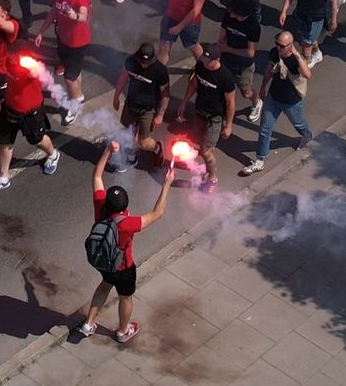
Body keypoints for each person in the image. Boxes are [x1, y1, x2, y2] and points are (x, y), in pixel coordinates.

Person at [75, 141, 177, 344]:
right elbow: (157, 213)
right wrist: (166, 185)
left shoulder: (100, 207)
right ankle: (123, 331)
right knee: (125, 297)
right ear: (125, 205)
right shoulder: (128, 223)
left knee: (104, 284)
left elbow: (96, 175)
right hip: (123, 267)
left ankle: (88, 324)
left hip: (103, 261)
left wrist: (108, 151)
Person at [0, 43, 63, 195]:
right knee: (5, 141)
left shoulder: (30, 65)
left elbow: (40, 75)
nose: (12, 58)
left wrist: (34, 70)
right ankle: (3, 177)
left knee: (37, 139)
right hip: (10, 108)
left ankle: (53, 155)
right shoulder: (6, 60)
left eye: (15, 56)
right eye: (11, 55)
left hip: (30, 112)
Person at [239, 30, 313, 175]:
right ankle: (260, 160)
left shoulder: (295, 60)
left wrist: (298, 55)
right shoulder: (275, 52)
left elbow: (307, 74)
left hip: (291, 102)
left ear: (290, 46)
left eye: (282, 45)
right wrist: (263, 87)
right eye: (277, 44)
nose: (278, 47)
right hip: (273, 98)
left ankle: (307, 135)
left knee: (298, 123)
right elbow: (268, 70)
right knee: (265, 129)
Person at [180, 47, 238, 192]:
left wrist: (228, 125)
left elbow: (230, 102)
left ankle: (212, 178)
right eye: (204, 60)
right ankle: (210, 165)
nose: (205, 63)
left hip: (214, 118)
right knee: (206, 147)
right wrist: (184, 102)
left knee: (205, 151)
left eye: (208, 61)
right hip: (199, 112)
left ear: (217, 60)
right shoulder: (201, 65)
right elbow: (194, 83)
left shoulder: (226, 77)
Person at [114, 43, 171, 171]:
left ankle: (157, 148)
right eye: (142, 61)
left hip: (148, 110)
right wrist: (116, 96)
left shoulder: (160, 70)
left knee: (144, 142)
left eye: (147, 62)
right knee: (127, 134)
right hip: (131, 105)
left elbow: (165, 94)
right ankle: (131, 158)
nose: (144, 65)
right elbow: (123, 76)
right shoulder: (131, 61)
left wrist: (160, 115)